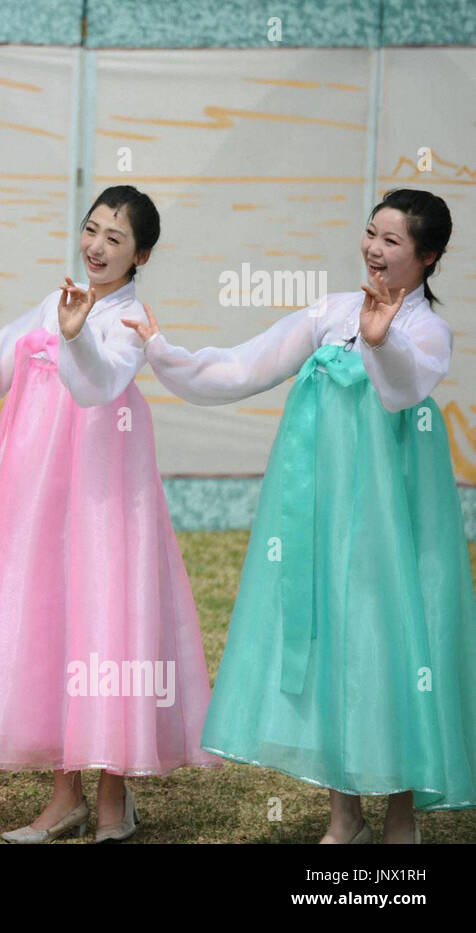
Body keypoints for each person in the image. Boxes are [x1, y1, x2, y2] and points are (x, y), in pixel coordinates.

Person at [128, 188, 476, 842]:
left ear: (428, 256)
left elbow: (402, 388)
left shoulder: (426, 331)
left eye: (393, 241)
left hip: (391, 528)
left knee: (393, 648)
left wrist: (381, 343)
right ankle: (345, 815)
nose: (373, 248)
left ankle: (401, 815)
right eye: (371, 233)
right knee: (334, 645)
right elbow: (241, 367)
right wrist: (163, 351)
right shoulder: (332, 311)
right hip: (325, 517)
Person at [0, 186, 219, 843]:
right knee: (52, 626)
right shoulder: (55, 303)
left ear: (143, 253)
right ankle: (64, 797)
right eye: (92, 230)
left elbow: (99, 383)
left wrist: (75, 337)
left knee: (106, 626)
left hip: (105, 494)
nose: (98, 246)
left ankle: (112, 797)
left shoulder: (130, 322)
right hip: (38, 496)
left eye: (115, 237)